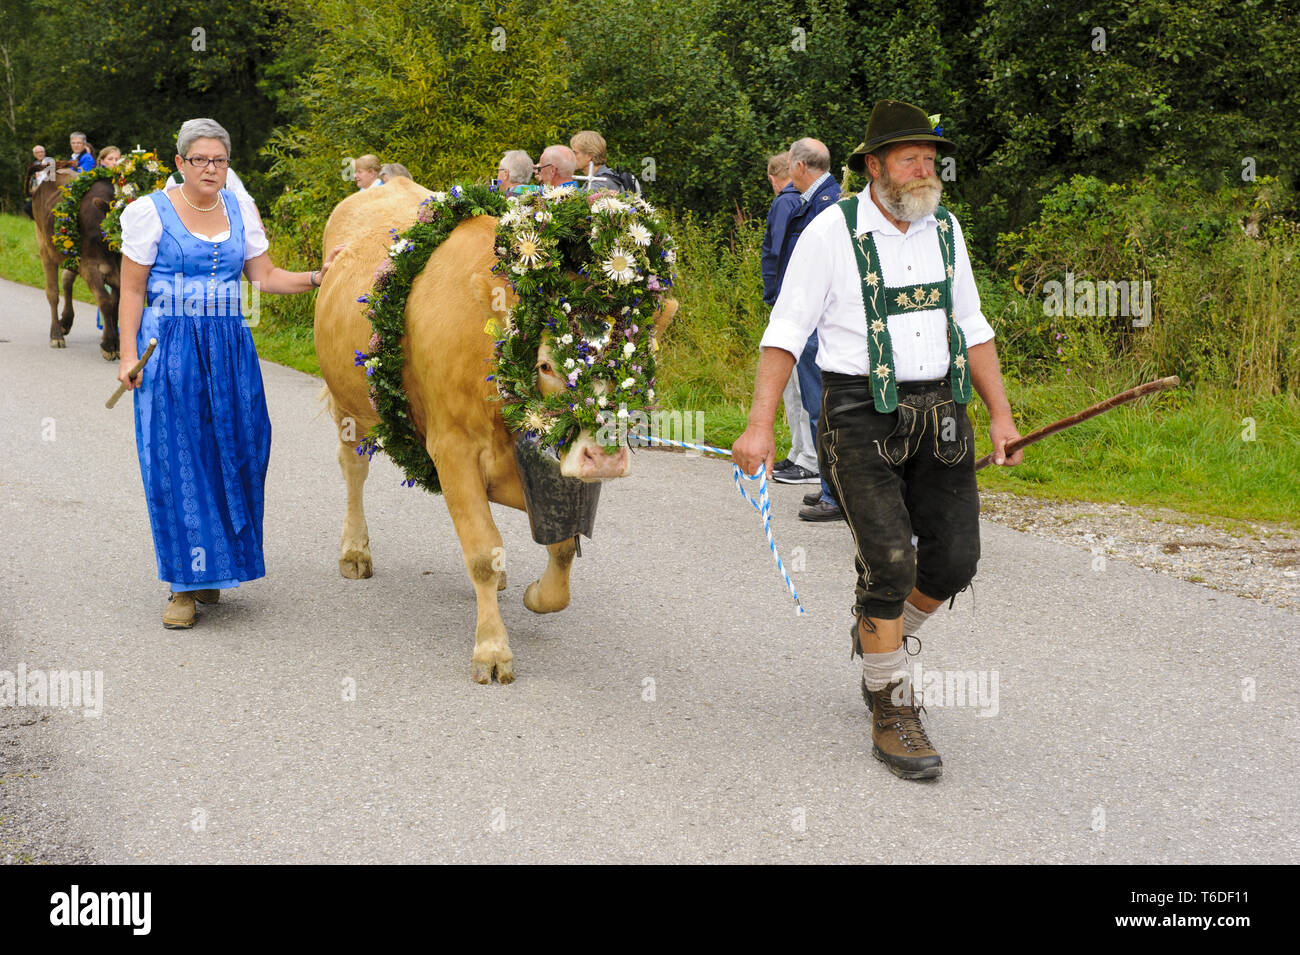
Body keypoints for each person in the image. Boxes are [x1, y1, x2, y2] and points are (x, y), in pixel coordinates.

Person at [733, 100, 1023, 781]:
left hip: (943, 409)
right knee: (890, 562)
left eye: (930, 157)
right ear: (874, 166)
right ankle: (889, 701)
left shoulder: (945, 229)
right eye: (910, 158)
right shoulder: (832, 231)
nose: (925, 169)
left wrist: (1001, 415)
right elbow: (786, 330)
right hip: (859, 411)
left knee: (954, 562)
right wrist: (759, 423)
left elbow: (974, 327)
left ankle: (877, 637)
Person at [115, 118, 345, 629]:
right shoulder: (149, 213)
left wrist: (317, 276)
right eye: (200, 159)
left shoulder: (239, 209)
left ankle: (216, 566)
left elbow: (263, 277)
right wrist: (129, 355)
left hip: (229, 345)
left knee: (240, 447)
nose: (211, 169)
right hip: (169, 344)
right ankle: (183, 584)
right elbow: (132, 290)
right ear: (180, 164)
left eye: (219, 160)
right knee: (179, 457)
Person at [776, 138, 842, 521]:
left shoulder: (825, 207)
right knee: (818, 407)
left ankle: (836, 494)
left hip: (818, 321)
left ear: (801, 167)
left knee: (822, 408)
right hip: (811, 318)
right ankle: (831, 485)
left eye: (789, 167)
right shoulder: (820, 202)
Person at [761, 151, 818, 487]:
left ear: (773, 177)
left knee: (800, 385)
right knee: (795, 386)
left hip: (791, 303)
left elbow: (777, 252)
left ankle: (809, 459)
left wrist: (775, 295)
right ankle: (799, 453)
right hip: (797, 301)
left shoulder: (786, 202)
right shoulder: (806, 202)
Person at [570, 130, 635, 193]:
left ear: (589, 156)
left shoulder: (601, 183)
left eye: (575, 153)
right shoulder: (596, 178)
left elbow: (576, 202)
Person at [23, 145, 57, 217]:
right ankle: (39, 222)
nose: (40, 154)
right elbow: (32, 181)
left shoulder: (50, 163)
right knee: (27, 208)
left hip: (49, 191)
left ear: (44, 153)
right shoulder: (34, 165)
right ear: (34, 155)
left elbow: (53, 179)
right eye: (37, 152)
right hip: (37, 192)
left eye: (41, 152)